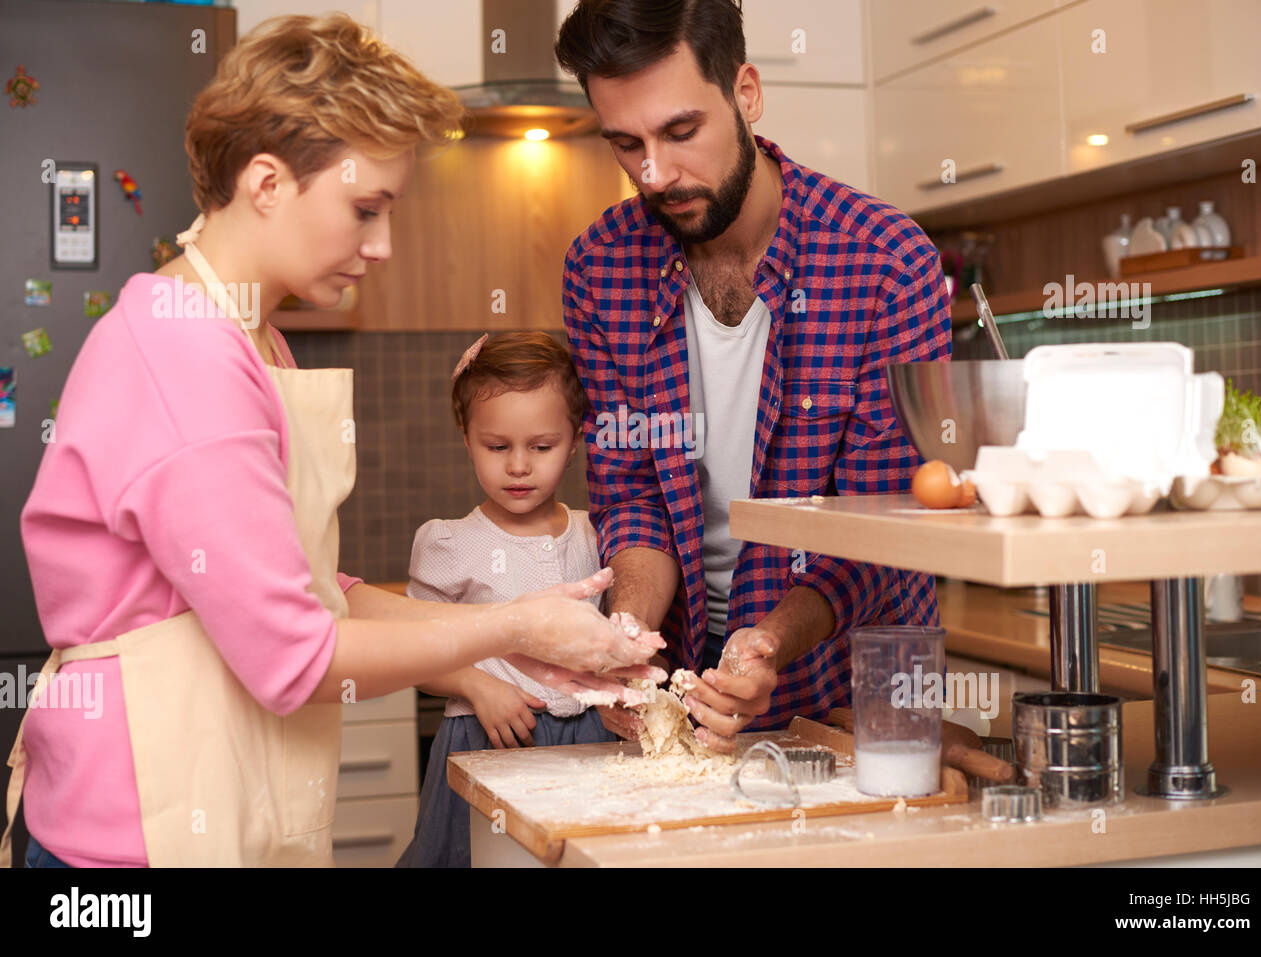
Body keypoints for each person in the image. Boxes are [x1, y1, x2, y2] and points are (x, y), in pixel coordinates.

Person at [5, 13, 661, 870]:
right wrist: (511, 624)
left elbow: (324, 590)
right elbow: (296, 654)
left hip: (212, 807)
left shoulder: (252, 338)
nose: (382, 246)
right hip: (131, 842)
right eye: (364, 209)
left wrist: (522, 635)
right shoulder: (183, 351)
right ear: (267, 183)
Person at [554, 0, 951, 752]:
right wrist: (630, 639)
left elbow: (882, 530)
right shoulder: (599, 268)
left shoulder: (885, 263)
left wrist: (765, 643)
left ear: (746, 93)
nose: (655, 173)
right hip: (687, 693)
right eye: (625, 143)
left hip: (854, 701)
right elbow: (631, 492)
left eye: (680, 132)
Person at [397, 332, 621, 868]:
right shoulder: (448, 543)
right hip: (485, 737)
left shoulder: (598, 535)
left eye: (541, 447)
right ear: (466, 438)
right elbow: (413, 653)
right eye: (497, 447)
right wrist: (476, 685)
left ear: (574, 441)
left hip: (588, 742)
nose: (518, 466)